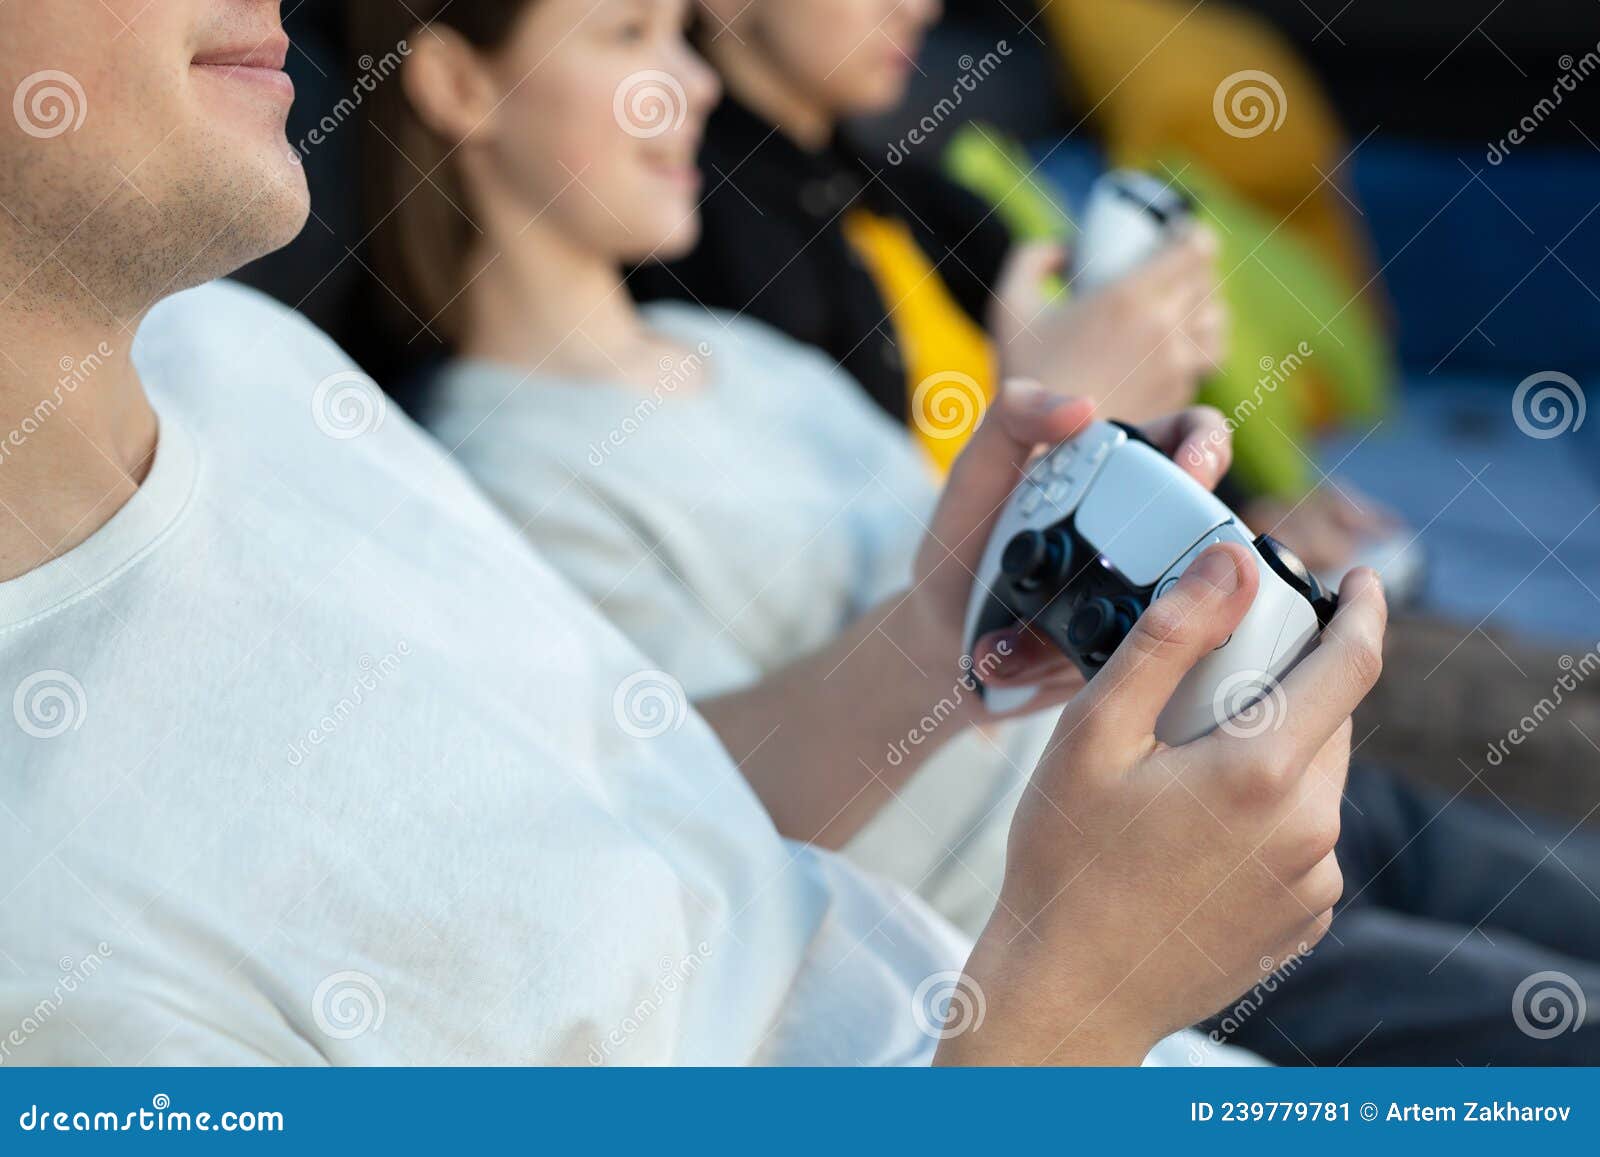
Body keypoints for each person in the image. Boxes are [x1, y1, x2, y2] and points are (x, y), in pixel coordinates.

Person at [0, 0, 1380, 1067]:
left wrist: (931, 646)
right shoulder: (42, 950)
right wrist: (1068, 1007)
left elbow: (649, 803)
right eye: (627, 33)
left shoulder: (243, 363)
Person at [368, 0, 1600, 1064]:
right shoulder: (497, 474)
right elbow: (700, 833)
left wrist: (1079, 490)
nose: (691, 76)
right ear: (456, 79)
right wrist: (967, 597)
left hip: (1239, 752)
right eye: (629, 34)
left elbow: (963, 574)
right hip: (1111, 910)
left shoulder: (741, 356)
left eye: (680, 31)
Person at [626, 0, 1396, 576]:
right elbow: (849, 588)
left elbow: (1095, 414)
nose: (920, 6)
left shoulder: (929, 202)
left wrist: (1243, 513)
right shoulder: (687, 239)